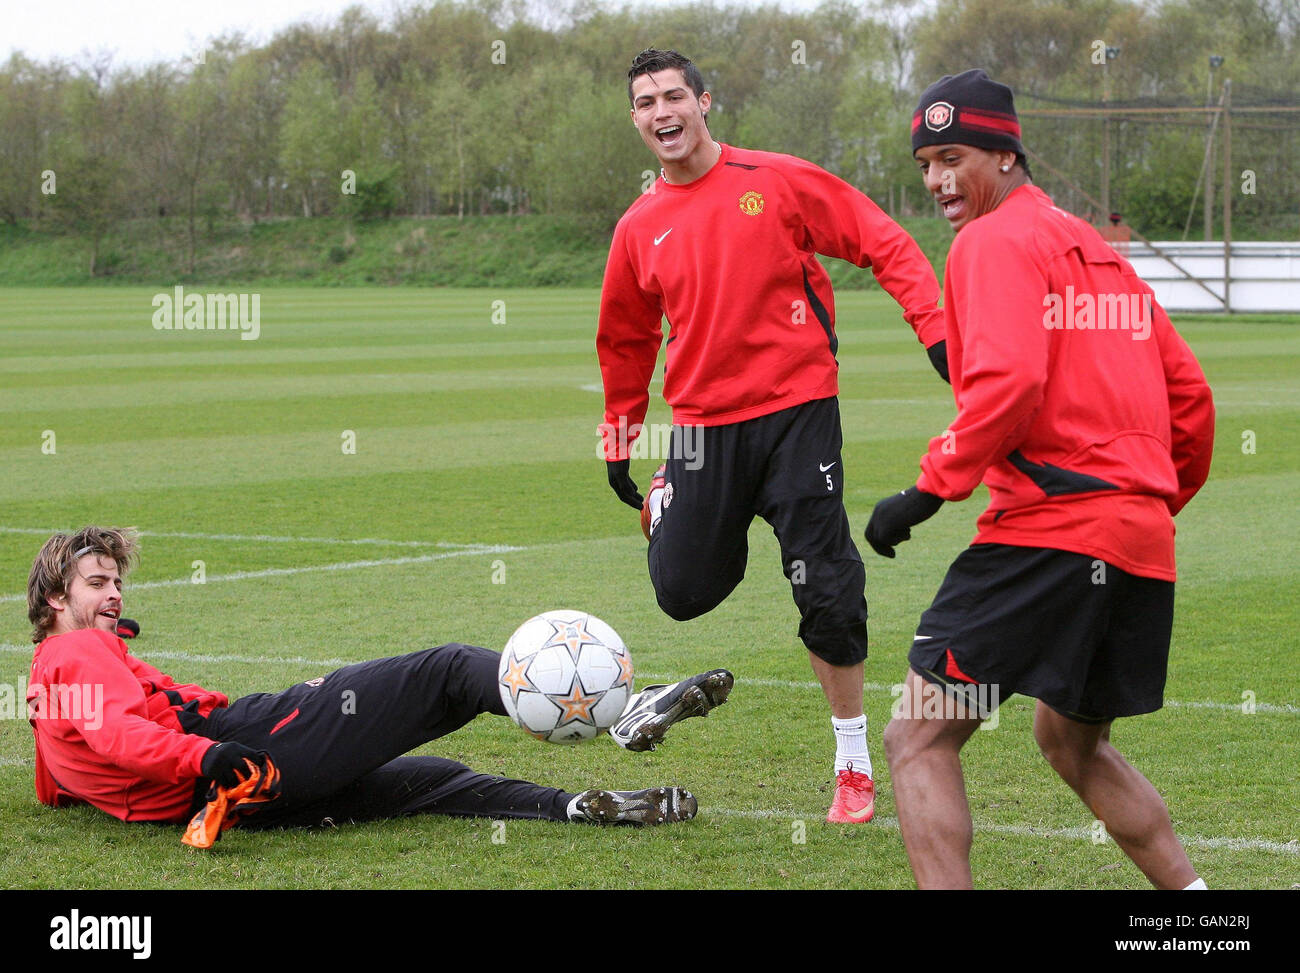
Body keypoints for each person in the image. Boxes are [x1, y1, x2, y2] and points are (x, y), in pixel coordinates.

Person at [866, 69, 1215, 887]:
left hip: (1049, 532)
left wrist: (925, 491)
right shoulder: (1103, 253)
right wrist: (1146, 509)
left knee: (917, 735)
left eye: (954, 157)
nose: (937, 181)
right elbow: (1191, 401)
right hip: (1136, 540)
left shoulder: (988, 243)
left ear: (1006, 154)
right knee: (1070, 741)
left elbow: (1009, 383)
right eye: (924, 163)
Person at [597, 49, 948, 823]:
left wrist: (936, 328)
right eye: (647, 102)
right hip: (699, 429)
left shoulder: (776, 181)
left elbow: (881, 239)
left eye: (675, 97)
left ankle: (852, 762)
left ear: (704, 101)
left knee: (825, 584)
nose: (663, 112)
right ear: (635, 119)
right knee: (683, 594)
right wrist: (620, 433)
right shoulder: (638, 227)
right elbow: (625, 339)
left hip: (797, 413)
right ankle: (670, 496)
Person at [25, 526, 731, 833]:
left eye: (117, 580)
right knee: (448, 671)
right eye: (97, 582)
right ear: (56, 598)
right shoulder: (76, 652)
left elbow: (66, 765)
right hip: (245, 751)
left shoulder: (55, 672)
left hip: (247, 801)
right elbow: (116, 734)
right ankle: (627, 710)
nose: (114, 594)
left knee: (434, 782)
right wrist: (209, 753)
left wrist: (54, 775)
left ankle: (575, 807)